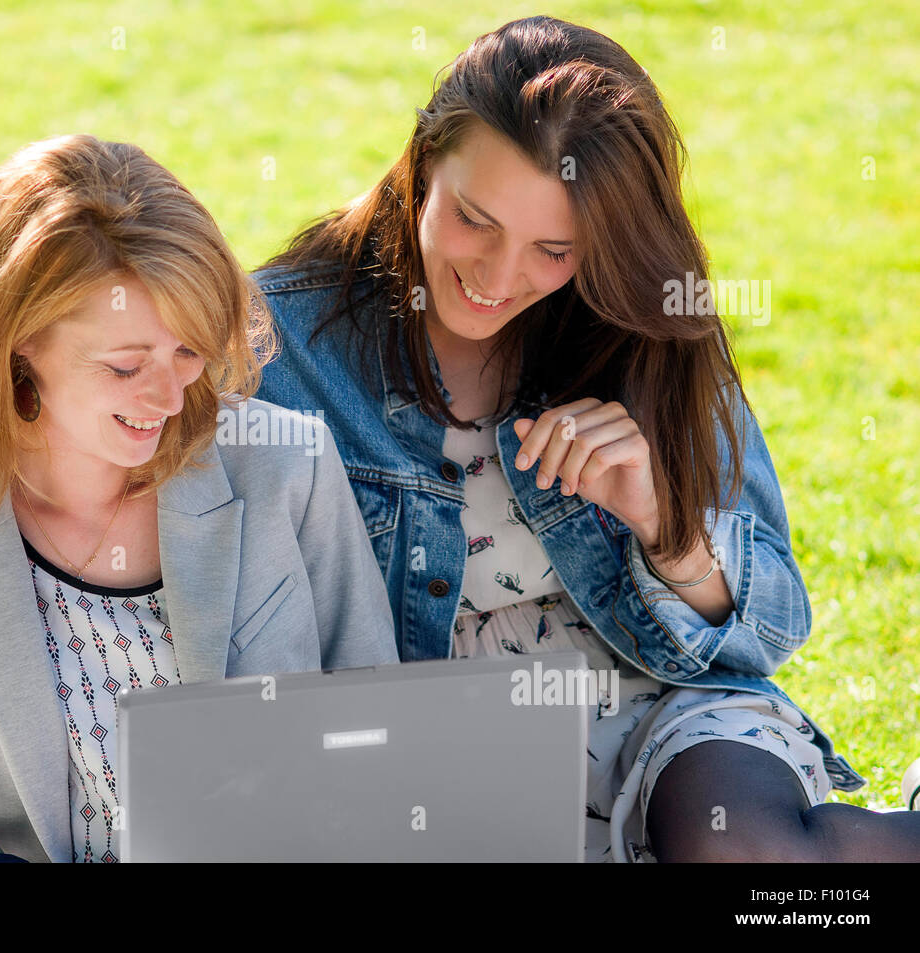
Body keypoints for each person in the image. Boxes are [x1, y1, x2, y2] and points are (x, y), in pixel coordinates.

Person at [253, 16, 920, 861]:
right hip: (431, 754)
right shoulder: (278, 342)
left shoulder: (644, 328)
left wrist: (666, 528)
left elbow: (770, 630)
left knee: (752, 860)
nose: (497, 277)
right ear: (425, 163)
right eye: (473, 218)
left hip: (655, 701)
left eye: (553, 248)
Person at [0, 133, 398, 863]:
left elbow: (378, 733)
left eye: (189, 350)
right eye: (126, 365)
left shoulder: (285, 463)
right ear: (16, 341)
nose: (171, 397)